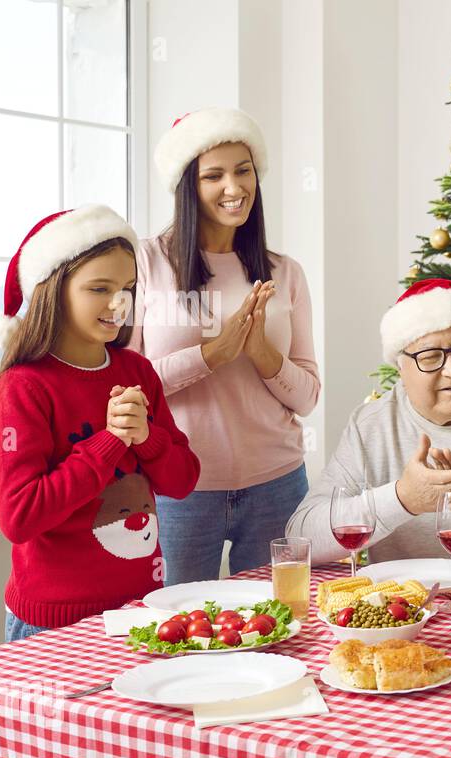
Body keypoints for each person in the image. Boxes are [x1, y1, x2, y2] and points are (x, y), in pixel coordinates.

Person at [0, 206, 200, 641]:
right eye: (100, 288)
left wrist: (147, 439)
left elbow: (183, 481)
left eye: (128, 288)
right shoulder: (22, 387)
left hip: (142, 609)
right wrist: (109, 443)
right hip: (52, 624)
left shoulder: (137, 372)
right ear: (54, 290)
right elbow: (20, 517)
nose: (119, 303)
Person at [130, 107, 319, 583]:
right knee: (176, 631)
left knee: (278, 625)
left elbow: (308, 396)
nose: (234, 189)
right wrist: (213, 353)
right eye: (213, 175)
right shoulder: (144, 263)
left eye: (243, 171)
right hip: (179, 488)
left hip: (277, 483)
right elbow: (126, 388)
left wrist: (261, 353)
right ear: (187, 186)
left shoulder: (285, 271)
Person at [286, 279, 451, 563]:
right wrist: (402, 498)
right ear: (400, 367)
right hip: (400, 603)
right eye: (431, 356)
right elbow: (301, 538)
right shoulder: (372, 425)